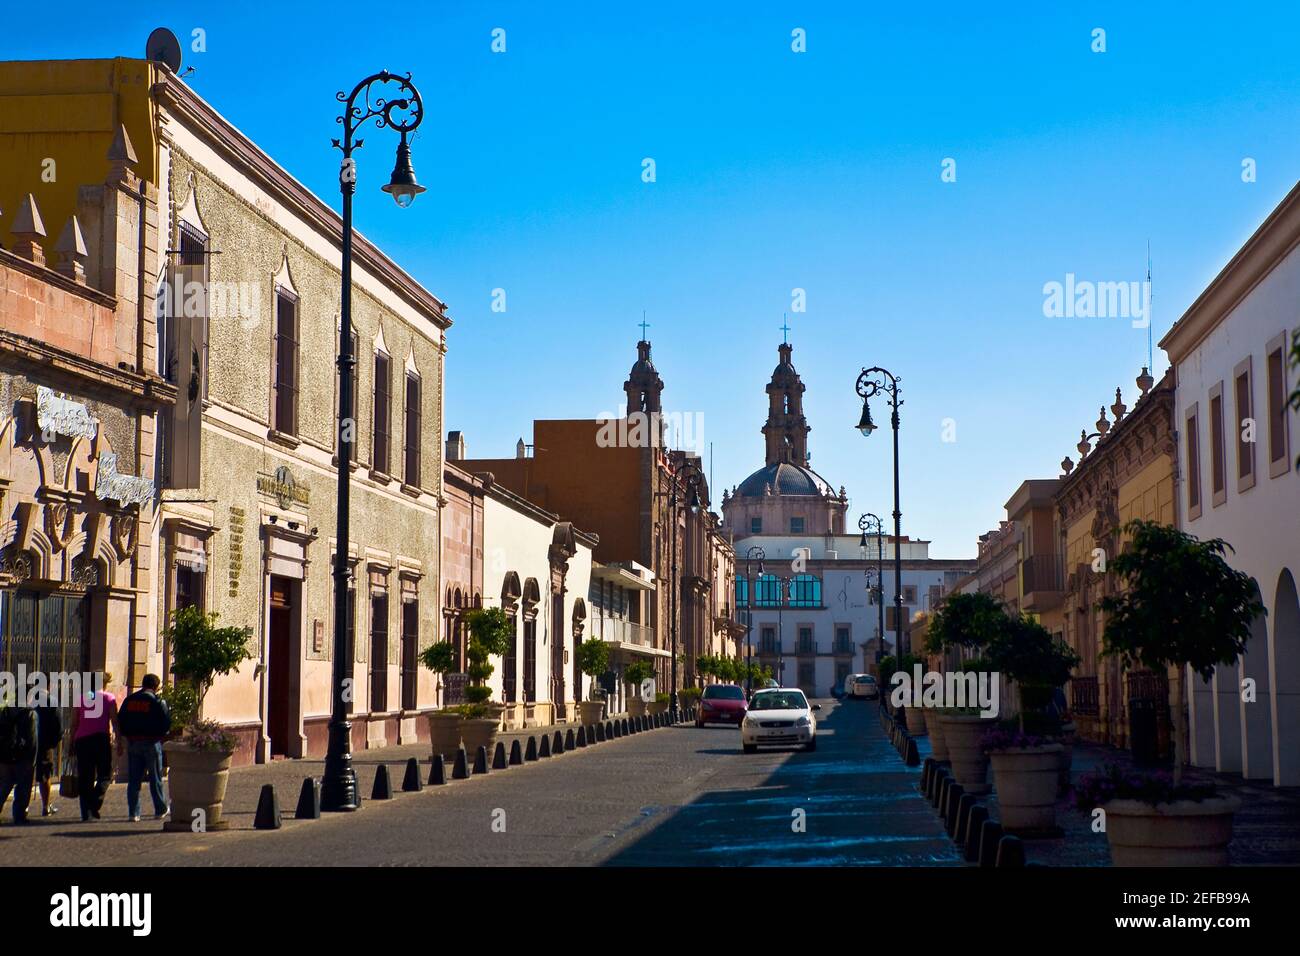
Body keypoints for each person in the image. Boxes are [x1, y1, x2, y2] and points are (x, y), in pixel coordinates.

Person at [117, 674, 171, 822]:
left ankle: (133, 812)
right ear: (156, 686)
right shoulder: (158, 701)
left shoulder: (130, 701)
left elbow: (120, 720)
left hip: (133, 743)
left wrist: (124, 737)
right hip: (152, 744)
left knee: (134, 780)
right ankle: (160, 809)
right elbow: (166, 722)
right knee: (155, 778)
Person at [68, 674, 118, 822]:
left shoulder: (81, 698)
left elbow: (74, 723)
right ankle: (94, 802)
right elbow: (115, 721)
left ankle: (86, 812)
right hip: (101, 739)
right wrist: (119, 741)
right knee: (105, 774)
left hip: (82, 740)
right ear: (104, 683)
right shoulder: (109, 698)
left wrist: (71, 743)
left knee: (85, 776)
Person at [0, 694, 39, 825]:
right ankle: (19, 815)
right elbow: (32, 739)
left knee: (4, 785)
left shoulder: (6, 711)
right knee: (23, 786)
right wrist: (32, 759)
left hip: (5, 753)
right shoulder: (30, 713)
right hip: (23, 756)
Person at [33, 694, 62, 817]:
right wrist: (55, 740)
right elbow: (57, 722)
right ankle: (45, 806)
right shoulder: (51, 701)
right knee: (45, 775)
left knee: (26, 774)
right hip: (45, 743)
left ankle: (22, 808)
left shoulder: (30, 699)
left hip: (28, 742)